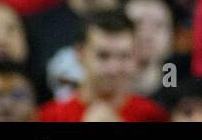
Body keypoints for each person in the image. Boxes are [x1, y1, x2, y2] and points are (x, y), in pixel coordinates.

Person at [37, 11, 167, 122]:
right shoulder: (49, 117)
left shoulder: (153, 116)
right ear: (80, 55)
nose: (113, 68)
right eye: (103, 56)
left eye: (123, 56)